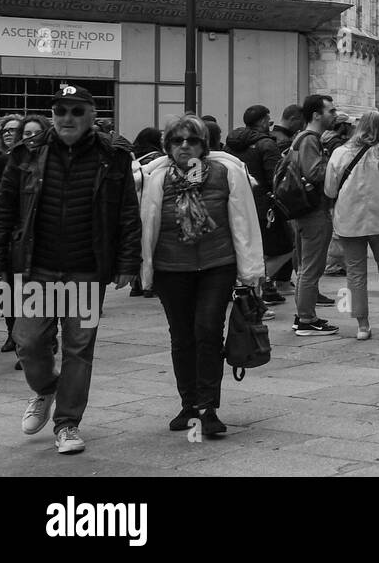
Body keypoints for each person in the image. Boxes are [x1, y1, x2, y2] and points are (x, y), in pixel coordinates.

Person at [0, 86, 140, 455]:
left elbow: (127, 212)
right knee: (28, 343)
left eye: (77, 111)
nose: (67, 118)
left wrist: (127, 263)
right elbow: (5, 209)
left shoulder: (113, 156)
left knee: (79, 349)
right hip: (34, 270)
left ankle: (68, 423)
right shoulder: (26, 153)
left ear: (92, 115)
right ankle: (46, 389)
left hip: (86, 272)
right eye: (61, 111)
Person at [139, 114, 264, 435]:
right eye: (178, 140)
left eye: (192, 140)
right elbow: (147, 225)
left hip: (216, 266)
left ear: (203, 145)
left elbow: (244, 222)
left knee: (208, 330)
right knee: (182, 336)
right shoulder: (156, 179)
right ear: (167, 145)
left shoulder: (227, 173)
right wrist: (144, 270)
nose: (184, 146)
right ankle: (188, 404)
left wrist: (251, 271)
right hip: (171, 269)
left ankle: (209, 407)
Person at [325, 112, 379, 340]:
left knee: (355, 273)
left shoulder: (339, 153)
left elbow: (330, 190)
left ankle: (363, 326)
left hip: (349, 220)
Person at [225, 106, 290, 305]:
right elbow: (276, 177)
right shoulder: (266, 145)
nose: (269, 126)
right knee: (286, 246)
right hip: (264, 206)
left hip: (238, 203)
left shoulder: (230, 145)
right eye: (269, 122)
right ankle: (259, 285)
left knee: (248, 248)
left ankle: (258, 287)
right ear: (262, 121)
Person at [290, 94, 339, 336]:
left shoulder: (302, 138)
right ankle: (306, 319)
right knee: (311, 267)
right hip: (313, 211)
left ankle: (303, 316)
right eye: (330, 111)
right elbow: (314, 173)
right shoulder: (310, 139)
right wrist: (332, 160)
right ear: (316, 115)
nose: (334, 115)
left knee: (305, 266)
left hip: (304, 210)